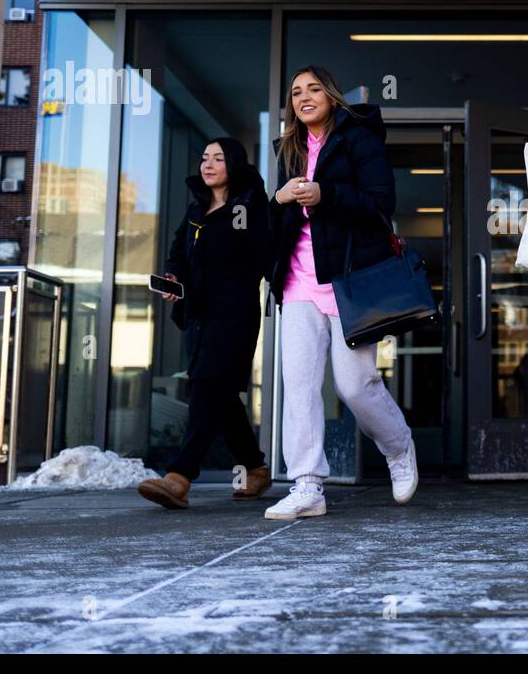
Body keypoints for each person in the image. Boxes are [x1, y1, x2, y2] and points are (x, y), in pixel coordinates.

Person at [263, 65, 418, 520]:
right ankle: (307, 485)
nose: (304, 97)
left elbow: (380, 202)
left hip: (349, 280)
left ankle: (398, 446)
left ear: (331, 95)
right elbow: (277, 222)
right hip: (298, 282)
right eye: (295, 92)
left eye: (313, 89)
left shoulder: (358, 137)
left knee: (354, 385)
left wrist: (324, 194)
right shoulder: (288, 150)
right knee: (300, 386)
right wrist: (279, 201)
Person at [137, 137, 274, 509]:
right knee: (222, 394)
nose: (207, 164)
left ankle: (180, 477)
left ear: (234, 164)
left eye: (217, 158)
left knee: (206, 386)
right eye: (204, 158)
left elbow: (264, 256)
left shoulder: (249, 206)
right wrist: (175, 280)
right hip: (198, 314)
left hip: (233, 313)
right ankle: (256, 468)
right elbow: (177, 254)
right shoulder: (197, 209)